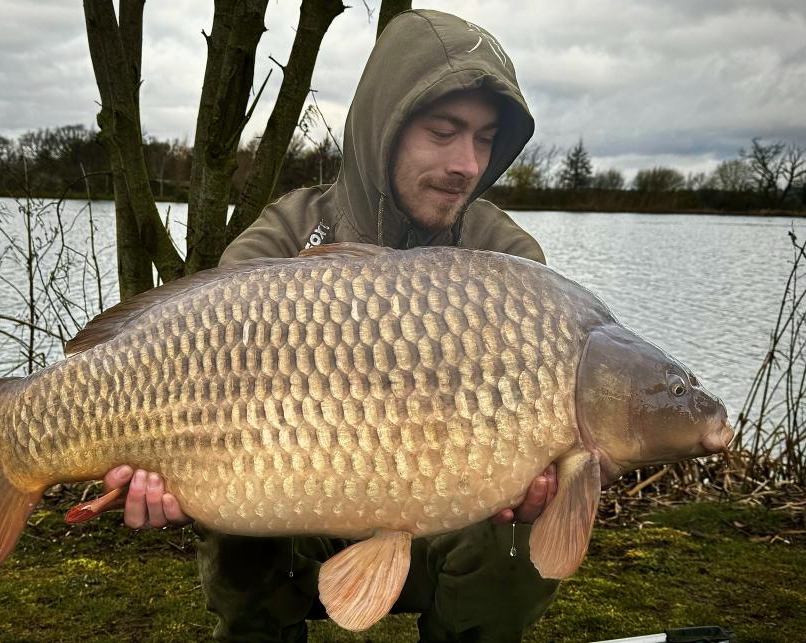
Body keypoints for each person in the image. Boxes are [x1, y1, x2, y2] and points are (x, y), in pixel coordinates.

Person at [99, 9, 559, 642]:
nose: (466, 164)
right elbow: (189, 371)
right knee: (233, 530)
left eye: (484, 139)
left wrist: (549, 478)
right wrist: (159, 468)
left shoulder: (506, 261)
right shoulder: (284, 238)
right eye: (443, 131)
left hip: (442, 523)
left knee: (524, 536)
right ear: (385, 128)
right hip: (293, 517)